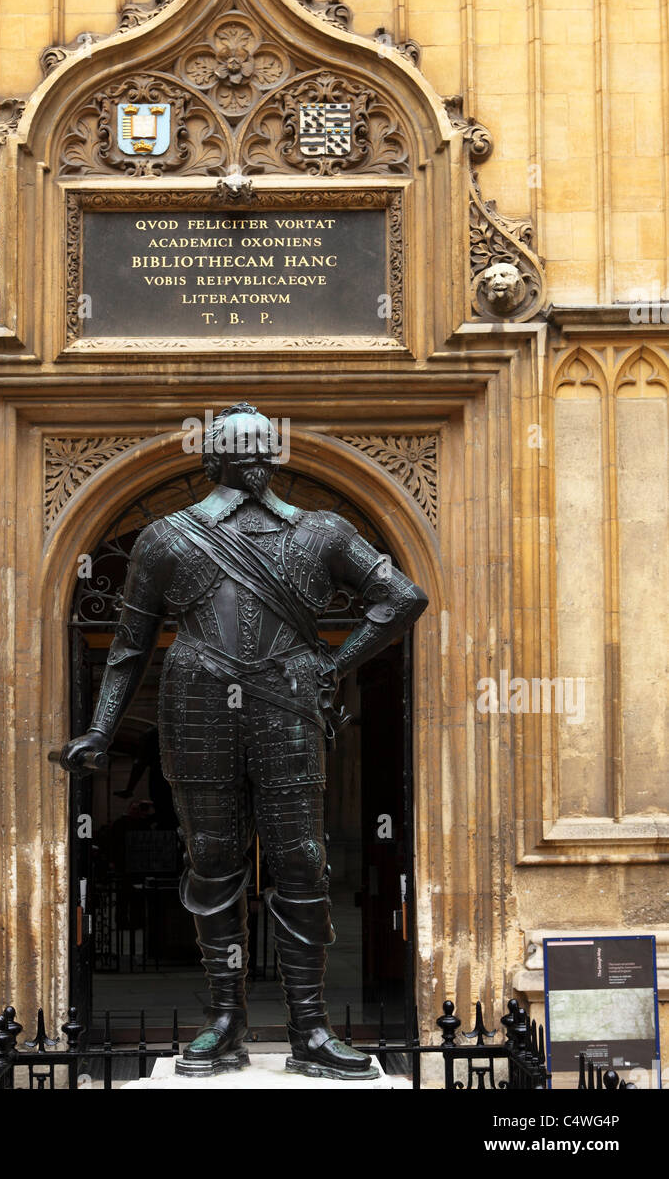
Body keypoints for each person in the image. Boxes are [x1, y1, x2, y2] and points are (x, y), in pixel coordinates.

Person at [59, 403, 428, 1079]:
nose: (256, 460)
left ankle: (310, 1026)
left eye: (265, 449)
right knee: (213, 859)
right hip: (197, 701)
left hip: (286, 701)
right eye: (242, 450)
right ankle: (224, 1019)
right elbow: (129, 646)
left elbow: (404, 596)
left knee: (302, 857)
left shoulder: (322, 531)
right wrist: (101, 729)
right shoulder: (169, 538)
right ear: (214, 458)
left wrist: (334, 664)